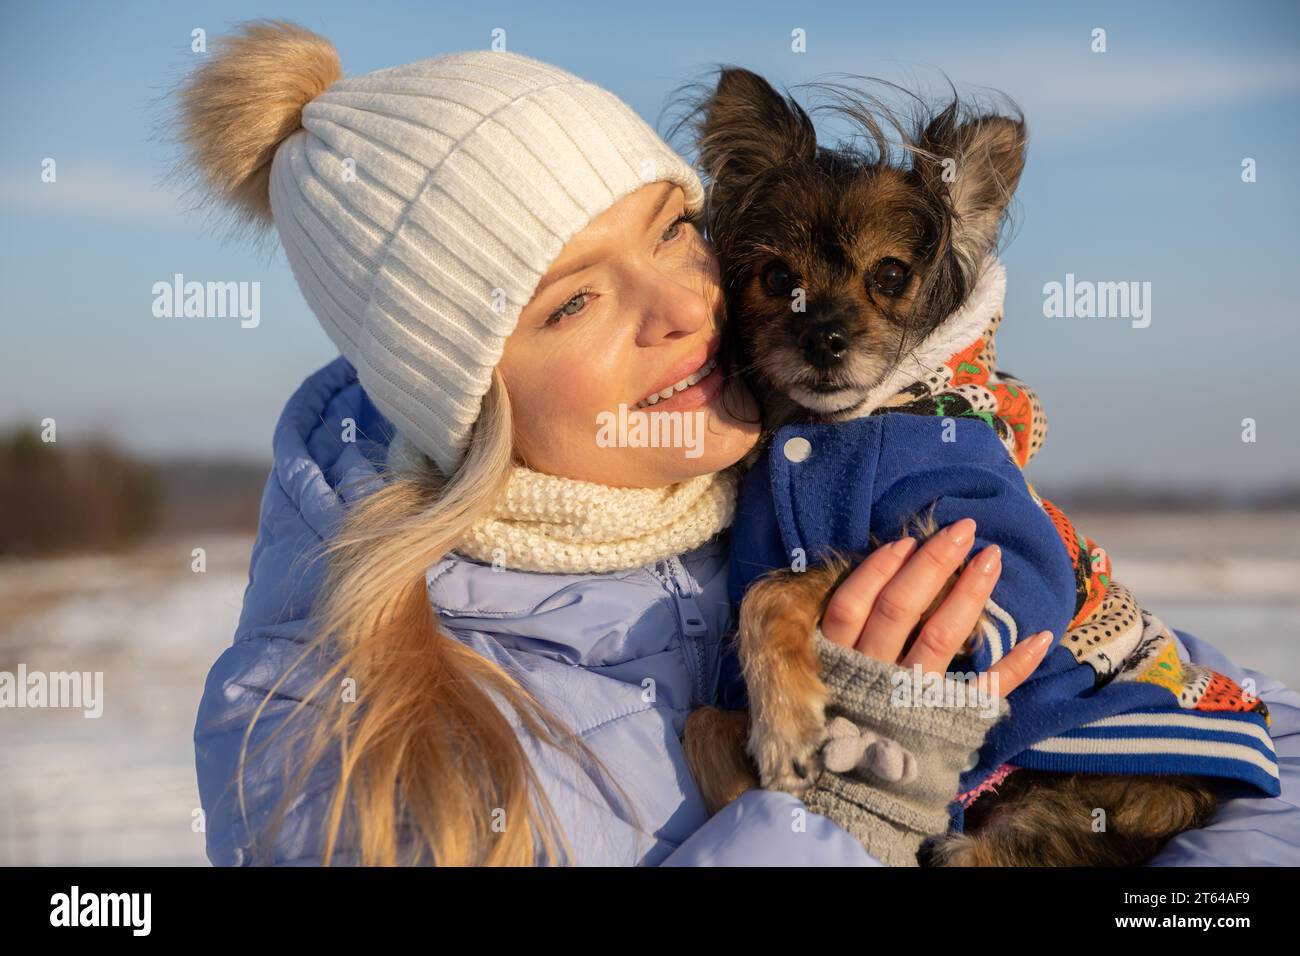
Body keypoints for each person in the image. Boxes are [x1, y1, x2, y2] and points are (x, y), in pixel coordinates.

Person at [182, 21, 1300, 866]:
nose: (679, 304)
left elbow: (1262, 743)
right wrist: (836, 819)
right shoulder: (328, 733)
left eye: (673, 229)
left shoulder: (761, 483)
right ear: (458, 394)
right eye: (570, 304)